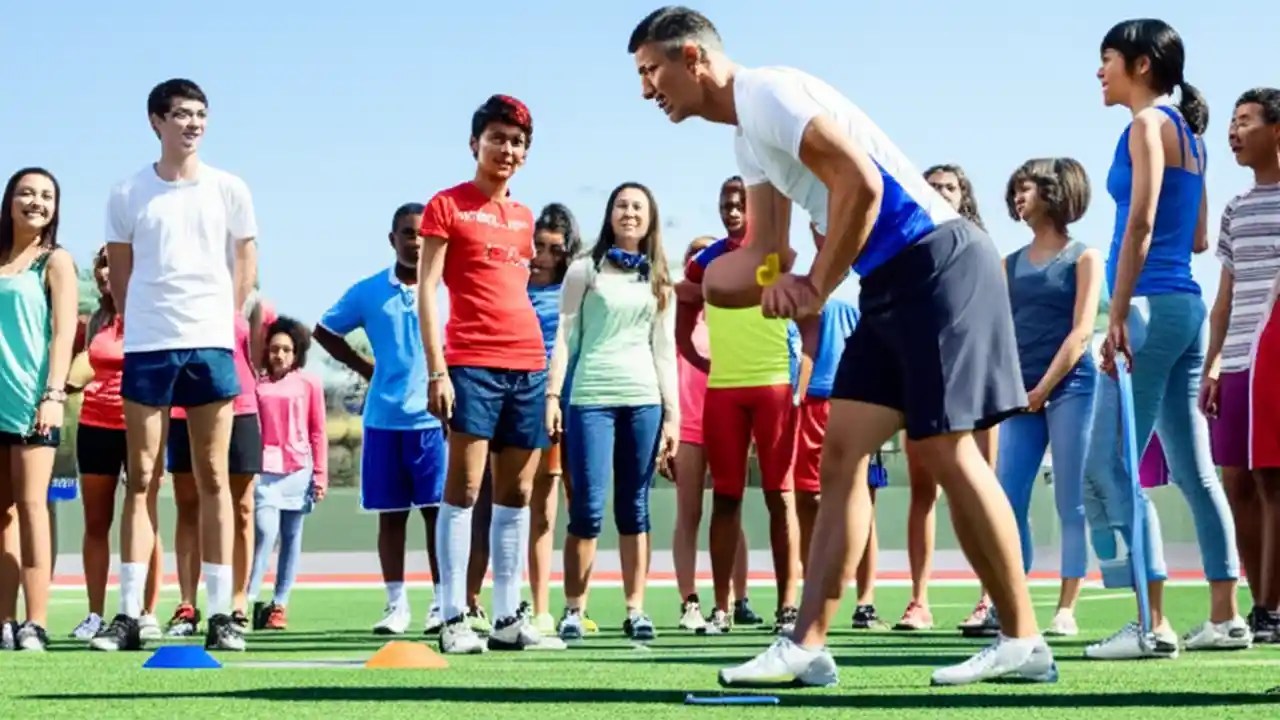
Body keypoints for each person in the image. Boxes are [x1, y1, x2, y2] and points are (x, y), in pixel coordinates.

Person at [627, 6, 1053, 685]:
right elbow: (769, 254)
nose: (648, 89)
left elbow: (861, 181)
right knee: (842, 455)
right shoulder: (746, 138)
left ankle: (1023, 640)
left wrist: (815, 288)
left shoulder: (767, 95)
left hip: (935, 263)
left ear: (692, 58)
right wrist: (698, 287)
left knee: (945, 448)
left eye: (652, 71)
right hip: (886, 279)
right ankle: (806, 646)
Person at [1086, 18, 1246, 660]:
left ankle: (1151, 624)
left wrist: (1117, 312)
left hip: (1148, 308)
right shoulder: (1194, 138)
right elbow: (1199, 238)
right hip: (1184, 307)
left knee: (1108, 465)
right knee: (1194, 471)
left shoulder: (1147, 126)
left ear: (1142, 64)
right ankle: (1225, 616)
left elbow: (1142, 223)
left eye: (1106, 60)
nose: (1099, 72)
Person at [92, 78, 258, 653]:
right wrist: (146, 325)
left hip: (210, 345)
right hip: (148, 347)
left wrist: (223, 318)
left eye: (200, 115)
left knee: (213, 478)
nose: (192, 124)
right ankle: (131, 613)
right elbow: (121, 272)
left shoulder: (230, 188)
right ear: (156, 122)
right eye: (181, 114)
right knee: (141, 479)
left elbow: (245, 263)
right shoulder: (127, 192)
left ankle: (220, 615)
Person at [418, 94, 563, 654]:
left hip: (527, 363)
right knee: (464, 488)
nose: (507, 149)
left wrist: (549, 380)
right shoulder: (446, 206)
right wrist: (438, 369)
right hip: (469, 363)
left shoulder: (525, 219)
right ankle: (453, 615)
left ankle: (507, 618)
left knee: (518, 493)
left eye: (517, 142)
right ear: (475, 142)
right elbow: (428, 290)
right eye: (498, 138)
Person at [547, 182, 678, 642]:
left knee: (635, 508)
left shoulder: (661, 276)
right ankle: (572, 610)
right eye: (622, 205)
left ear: (650, 218)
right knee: (586, 508)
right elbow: (565, 337)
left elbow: (664, 350)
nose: (629, 213)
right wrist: (552, 396)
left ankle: (635, 610)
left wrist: (673, 417)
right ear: (610, 214)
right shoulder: (584, 270)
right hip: (590, 398)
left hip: (643, 399)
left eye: (638, 206)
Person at [677, 176, 803, 636]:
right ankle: (722, 608)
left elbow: (809, 316)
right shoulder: (705, 263)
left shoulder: (775, 253)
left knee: (779, 496)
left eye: (739, 203)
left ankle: (789, 606)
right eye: (725, 203)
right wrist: (700, 360)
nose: (731, 210)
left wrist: (800, 378)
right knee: (726, 498)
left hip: (772, 389)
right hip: (724, 392)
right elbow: (682, 315)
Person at [314, 202, 447, 636]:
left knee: (436, 516)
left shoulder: (448, 288)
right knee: (391, 517)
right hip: (384, 421)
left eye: (423, 234)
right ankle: (396, 606)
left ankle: (442, 605)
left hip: (436, 422)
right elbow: (324, 331)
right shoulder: (370, 291)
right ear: (393, 240)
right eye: (408, 234)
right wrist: (366, 367)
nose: (415, 242)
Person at [468, 202, 583, 637]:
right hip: (512, 400)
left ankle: (545, 608)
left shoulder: (573, 292)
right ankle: (473, 602)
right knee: (495, 502)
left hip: (564, 402)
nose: (544, 256)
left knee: (550, 512)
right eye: (538, 246)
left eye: (555, 248)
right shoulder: (512, 286)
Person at [997, 157, 1101, 638]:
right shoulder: (1008, 264)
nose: (1019, 197)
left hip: (1071, 386)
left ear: (1055, 193)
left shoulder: (1085, 257)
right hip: (1021, 395)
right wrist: (1014, 389)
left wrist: (1043, 389)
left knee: (1069, 499)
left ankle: (1066, 609)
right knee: (1006, 497)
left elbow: (1081, 333)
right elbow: (996, 333)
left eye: (1027, 188)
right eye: (1015, 189)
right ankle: (1012, 600)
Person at [893, 163, 998, 634]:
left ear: (964, 195)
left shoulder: (982, 247)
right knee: (923, 493)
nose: (940, 193)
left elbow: (996, 319)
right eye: (932, 187)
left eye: (949, 187)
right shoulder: (903, 247)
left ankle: (989, 598)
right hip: (923, 378)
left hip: (975, 380)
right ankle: (918, 602)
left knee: (983, 488)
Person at [1204, 87, 1280, 642]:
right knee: (1236, 481)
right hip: (1235, 361)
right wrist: (1212, 365)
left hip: (1272, 352)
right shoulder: (1235, 208)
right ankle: (1262, 603)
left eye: (1246, 121)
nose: (1234, 131)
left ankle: (1272, 608)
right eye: (1231, 122)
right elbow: (1224, 298)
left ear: (1276, 130)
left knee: (1271, 477)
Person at [68, 246, 163, 641]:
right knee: (96, 523)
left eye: (114, 262)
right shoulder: (96, 322)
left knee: (143, 512)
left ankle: (146, 612)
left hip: (142, 423)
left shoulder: (154, 314)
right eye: (101, 265)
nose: (107, 271)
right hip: (95, 425)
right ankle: (95, 614)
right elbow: (77, 368)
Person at [0, 167, 77, 651]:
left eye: (46, 195)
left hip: (32, 402)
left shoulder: (55, 262)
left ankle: (36, 622)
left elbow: (64, 334)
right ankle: (3, 621)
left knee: (32, 509)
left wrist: (53, 395)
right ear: (9, 200)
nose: (36, 202)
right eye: (27, 192)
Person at [668, 234, 757, 632]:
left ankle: (739, 599)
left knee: (730, 510)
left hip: (729, 422)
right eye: (694, 253)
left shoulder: (732, 308)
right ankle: (690, 602)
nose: (701, 260)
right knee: (689, 514)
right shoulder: (672, 313)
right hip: (686, 426)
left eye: (708, 253)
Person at [164, 311, 263, 635]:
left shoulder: (254, 307)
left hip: (242, 407)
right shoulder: (182, 296)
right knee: (188, 505)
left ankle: (237, 600)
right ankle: (188, 603)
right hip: (183, 409)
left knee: (243, 509)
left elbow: (260, 362)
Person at [247, 316, 328, 630]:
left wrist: (320, 475)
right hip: (264, 471)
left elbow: (318, 431)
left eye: (286, 350)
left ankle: (279, 604)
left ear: (296, 353)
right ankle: (249, 598)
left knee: (292, 538)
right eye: (274, 349)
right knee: (265, 532)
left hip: (299, 470)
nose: (279, 355)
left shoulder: (310, 384)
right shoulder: (257, 384)